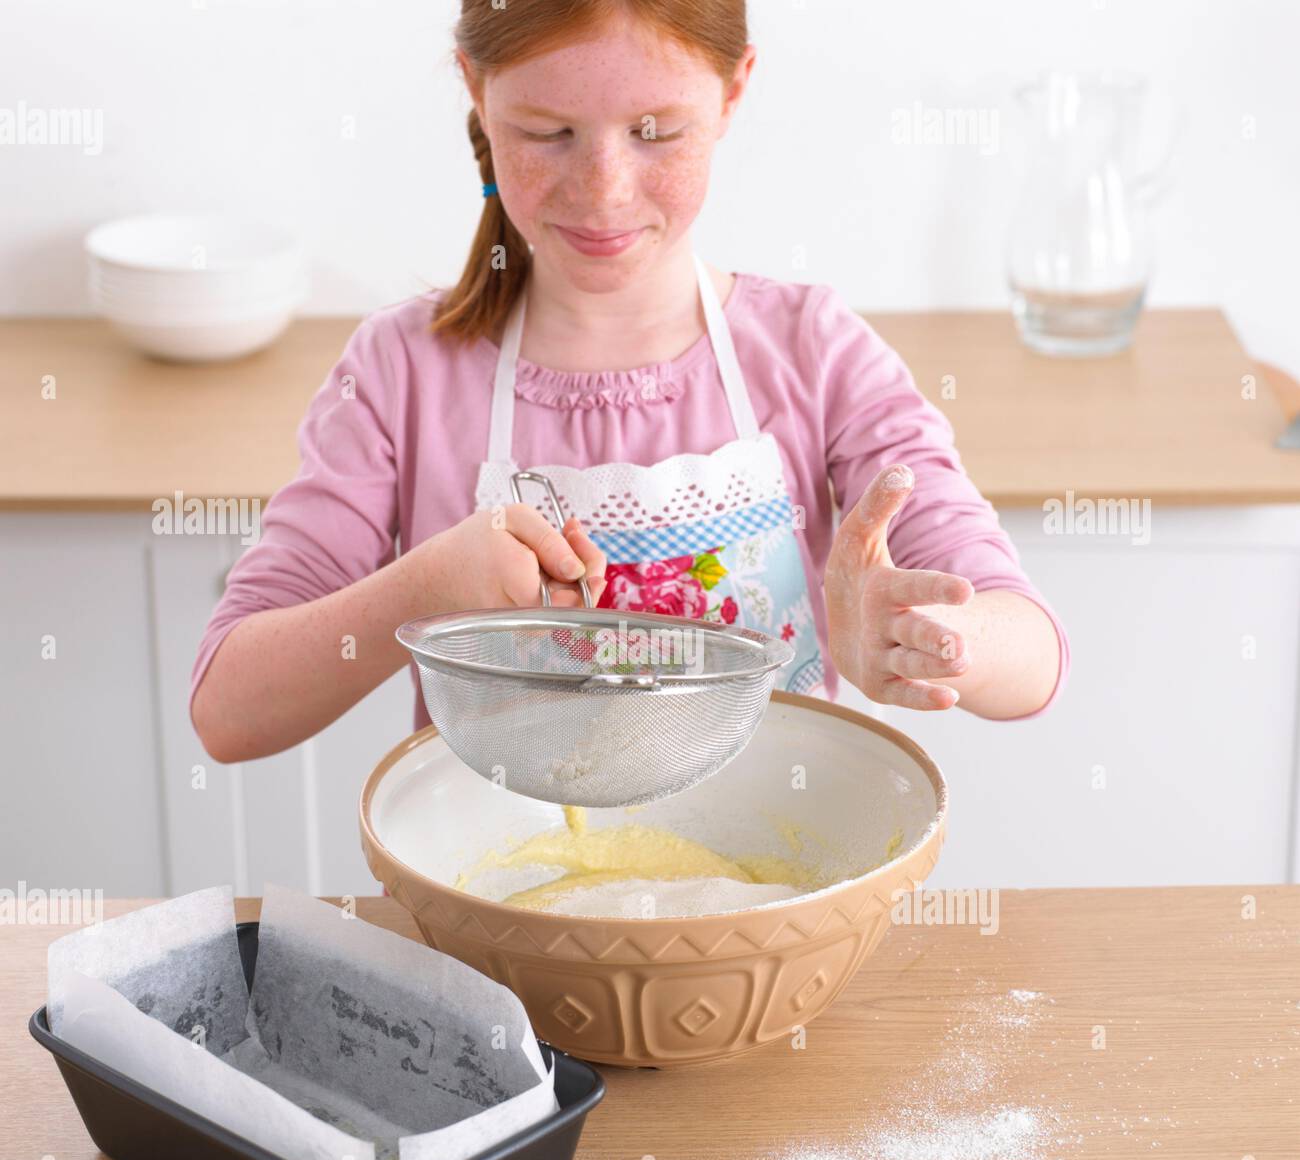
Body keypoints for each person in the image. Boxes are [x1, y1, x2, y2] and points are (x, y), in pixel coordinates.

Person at [190, 0, 1068, 764]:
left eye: (655, 131)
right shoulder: (400, 373)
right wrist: (424, 591)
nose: (604, 192)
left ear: (732, 93)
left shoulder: (816, 353)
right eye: (547, 131)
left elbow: (1031, 653)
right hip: (485, 933)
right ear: (476, 91)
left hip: (762, 913)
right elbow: (228, 712)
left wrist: (932, 637)